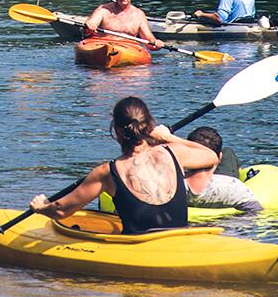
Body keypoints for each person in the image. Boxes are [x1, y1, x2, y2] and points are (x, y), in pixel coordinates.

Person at [29, 96, 218, 233]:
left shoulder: (106, 173)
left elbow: (61, 210)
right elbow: (211, 156)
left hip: (139, 249)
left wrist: (42, 207)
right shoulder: (174, 151)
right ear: (150, 125)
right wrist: (168, 137)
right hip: (179, 239)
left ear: (117, 131)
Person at [184, 127, 261, 213]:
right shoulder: (234, 187)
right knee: (228, 151)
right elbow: (256, 212)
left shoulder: (171, 187)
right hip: (224, 179)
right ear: (219, 157)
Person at [82, 0, 163, 49]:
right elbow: (91, 23)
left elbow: (148, 40)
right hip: (102, 45)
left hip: (128, 49)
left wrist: (155, 43)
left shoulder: (139, 15)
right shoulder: (103, 10)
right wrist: (89, 26)